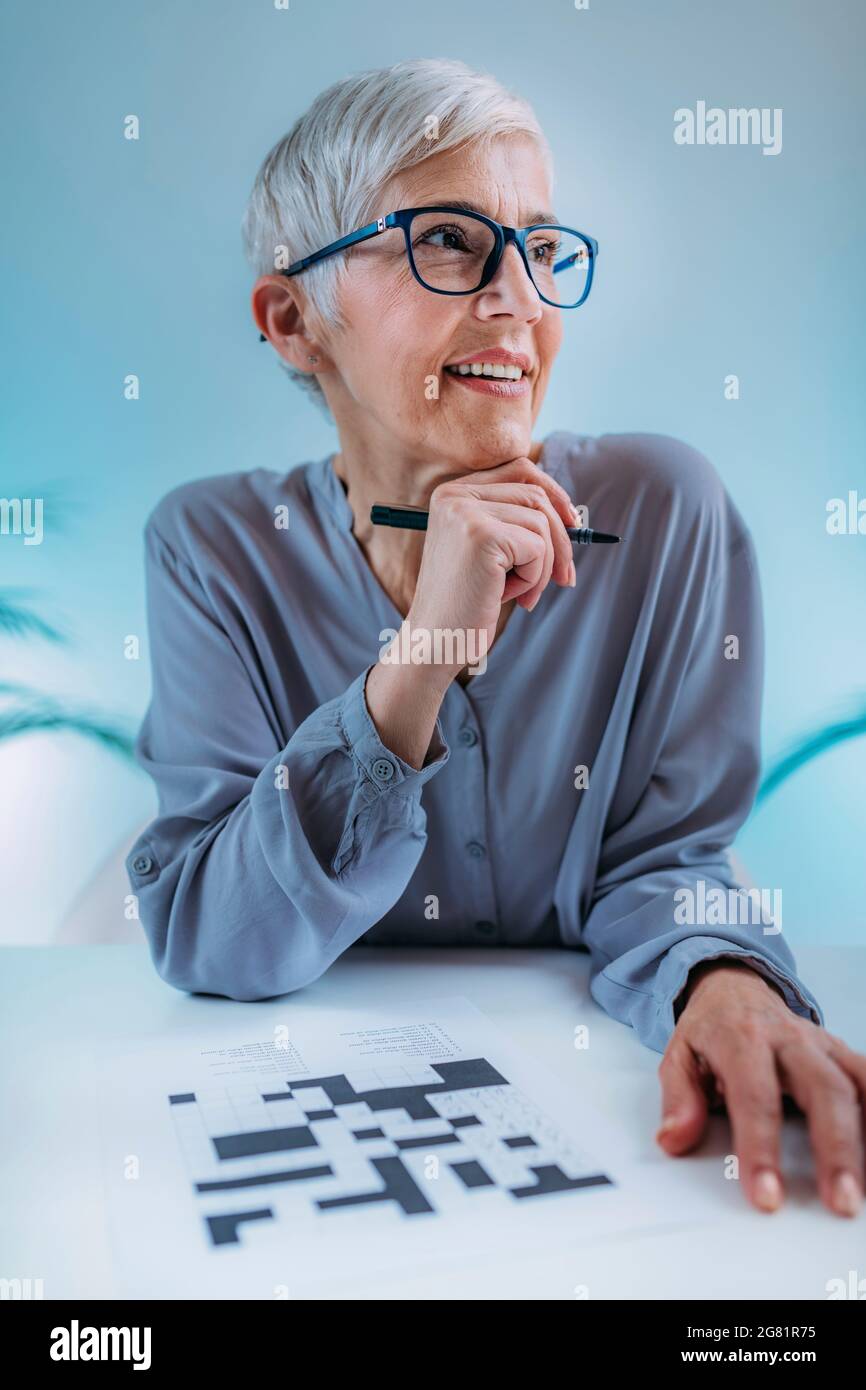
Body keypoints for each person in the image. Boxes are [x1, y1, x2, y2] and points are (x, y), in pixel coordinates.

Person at [127, 58, 865, 1218]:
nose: (518, 296)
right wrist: (416, 653)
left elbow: (663, 863)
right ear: (290, 319)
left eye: (543, 249)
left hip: (586, 1136)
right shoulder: (212, 547)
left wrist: (722, 980)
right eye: (449, 243)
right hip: (327, 1130)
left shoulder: (666, 511)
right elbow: (209, 937)